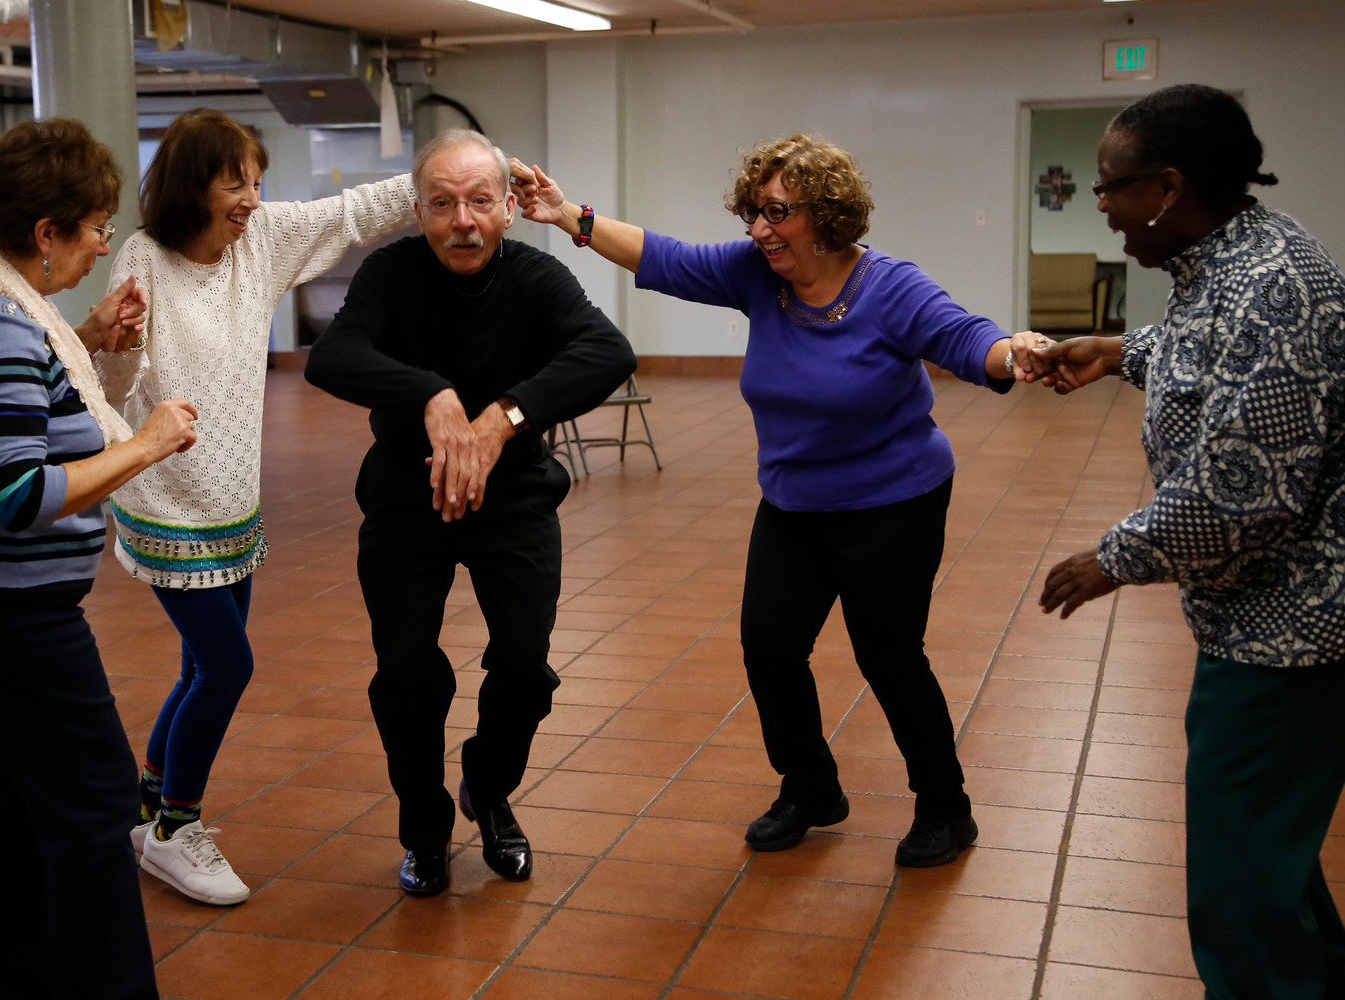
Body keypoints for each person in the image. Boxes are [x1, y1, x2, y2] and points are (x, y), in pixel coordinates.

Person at [513, 135, 1043, 867]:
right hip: (795, 502)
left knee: (889, 657)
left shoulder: (891, 287)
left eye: (776, 213)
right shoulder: (759, 274)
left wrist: (1013, 352)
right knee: (769, 648)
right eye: (752, 213)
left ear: (825, 217)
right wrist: (565, 213)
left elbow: (965, 339)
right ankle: (811, 788)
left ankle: (946, 810)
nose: (759, 230)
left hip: (893, 500)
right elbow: (662, 256)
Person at [1033, 84, 1345, 1000]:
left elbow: (1243, 491)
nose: (1103, 208)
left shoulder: (1277, 282)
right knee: (1271, 860)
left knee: (1241, 886)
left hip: (1295, 632)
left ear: (1167, 188)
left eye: (1110, 188)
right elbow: (1207, 349)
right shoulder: (1233, 261)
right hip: (1259, 621)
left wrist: (1110, 559)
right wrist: (1115, 348)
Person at [0, 118, 198, 1000]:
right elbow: (21, 495)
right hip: (0, 607)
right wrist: (146, 444)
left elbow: (35, 412)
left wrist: (91, 338)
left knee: (21, 794)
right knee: (92, 803)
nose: (104, 247)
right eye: (98, 228)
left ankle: (3, 979)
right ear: (46, 234)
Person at [94, 108, 416, 906]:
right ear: (188, 184)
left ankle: (145, 808)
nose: (250, 196)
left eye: (255, 179)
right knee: (227, 665)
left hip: (231, 499)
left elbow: (351, 212)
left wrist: (446, 182)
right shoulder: (143, 258)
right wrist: (123, 342)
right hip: (164, 497)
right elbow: (111, 394)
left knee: (201, 664)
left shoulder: (261, 240)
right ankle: (177, 828)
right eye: (232, 180)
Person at [303, 129, 636, 896]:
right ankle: (424, 826)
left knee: (524, 665)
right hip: (405, 493)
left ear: (509, 208)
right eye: (445, 203)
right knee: (407, 674)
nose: (464, 221)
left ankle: (487, 790)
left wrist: (503, 418)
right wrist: (430, 393)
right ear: (419, 211)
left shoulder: (534, 277)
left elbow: (607, 350)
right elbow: (334, 355)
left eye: (481, 202)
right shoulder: (390, 274)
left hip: (514, 493)